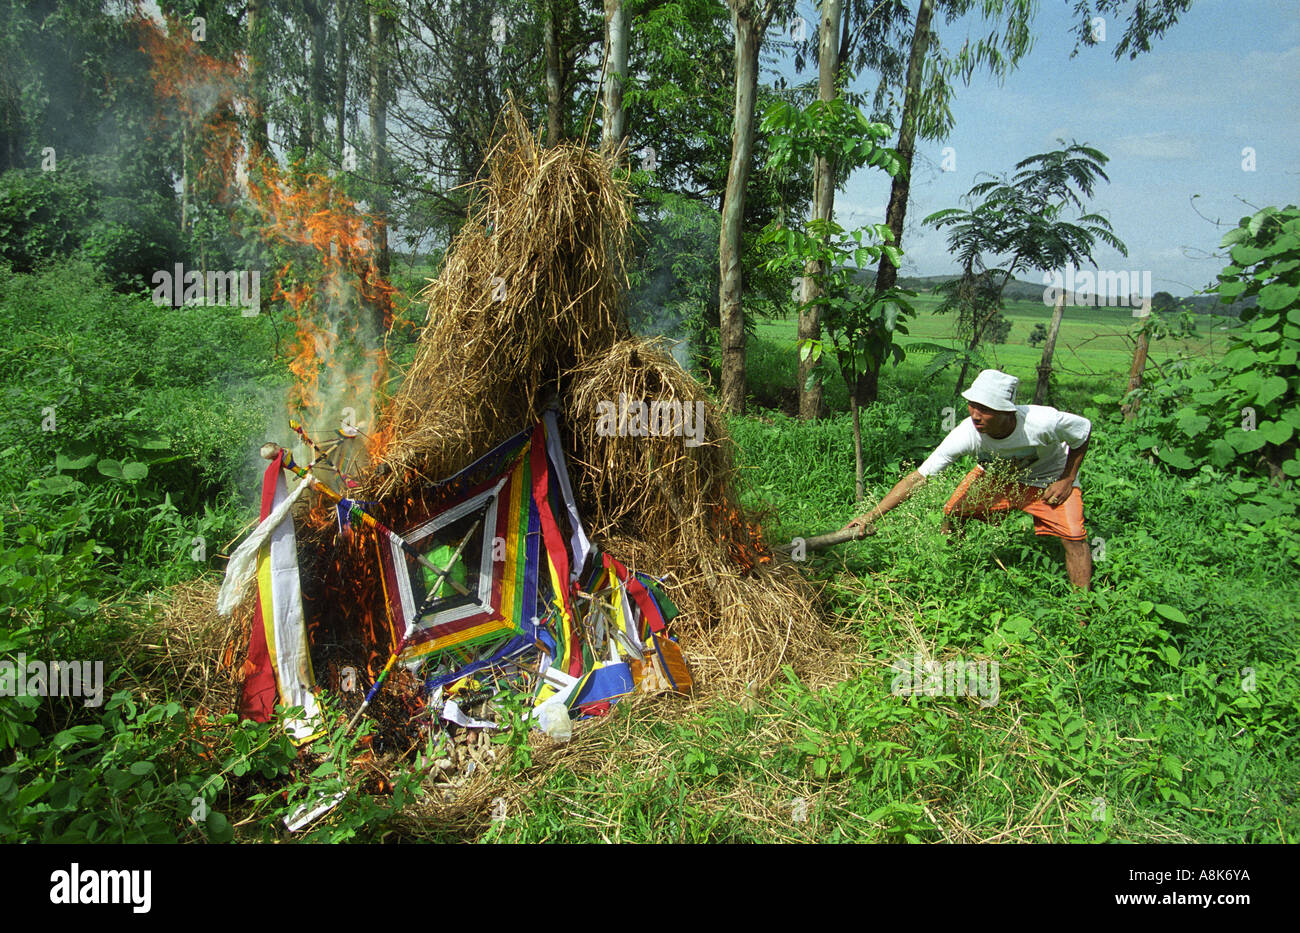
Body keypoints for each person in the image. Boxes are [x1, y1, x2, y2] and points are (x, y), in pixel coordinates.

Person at [841, 369, 1093, 589]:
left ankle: (1080, 614)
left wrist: (1067, 478)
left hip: (1049, 479)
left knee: (1074, 537)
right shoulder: (967, 433)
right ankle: (954, 572)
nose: (975, 415)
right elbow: (917, 478)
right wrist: (869, 516)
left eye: (985, 409)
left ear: (1006, 411)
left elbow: (1082, 431)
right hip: (998, 476)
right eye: (972, 405)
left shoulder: (1042, 422)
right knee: (953, 513)